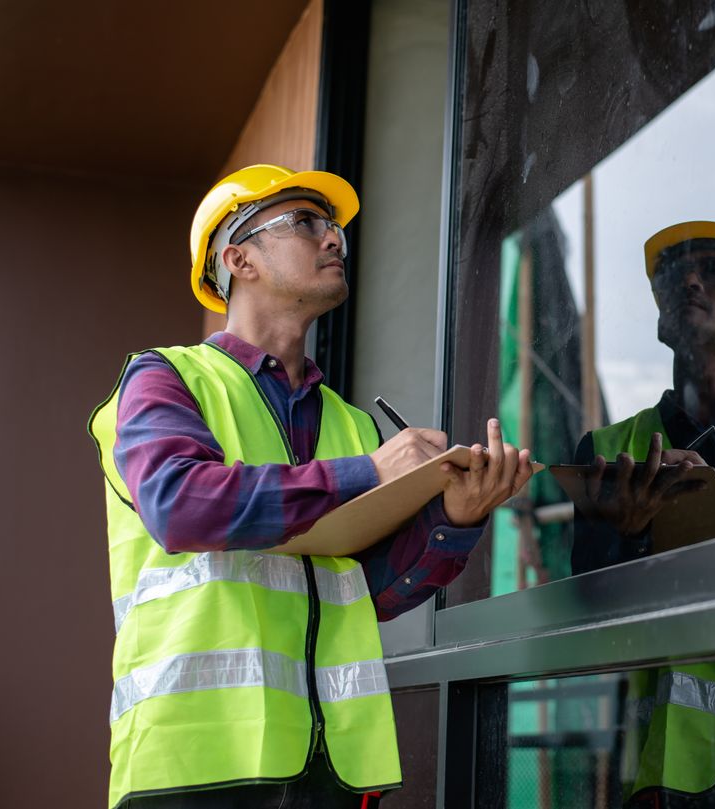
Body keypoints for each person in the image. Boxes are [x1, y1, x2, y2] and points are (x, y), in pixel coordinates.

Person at [88, 164, 533, 809]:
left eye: (334, 228)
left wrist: (455, 520)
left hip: (332, 769)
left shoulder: (353, 426)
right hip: (192, 764)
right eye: (305, 222)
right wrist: (371, 473)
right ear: (238, 259)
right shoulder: (165, 379)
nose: (333, 239)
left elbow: (364, 594)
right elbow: (179, 505)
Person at [571, 221, 715, 808]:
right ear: (660, 323)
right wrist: (631, 539)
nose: (691, 283)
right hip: (669, 771)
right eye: (676, 275)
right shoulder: (607, 451)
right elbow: (584, 616)